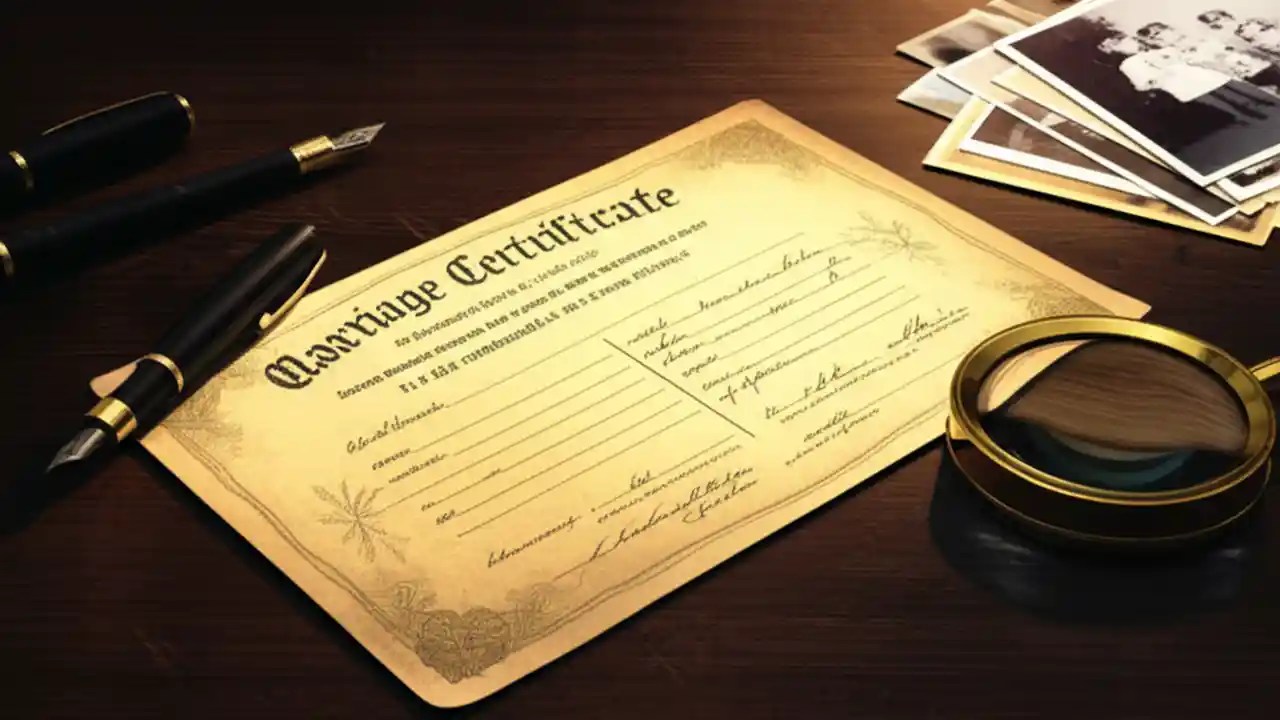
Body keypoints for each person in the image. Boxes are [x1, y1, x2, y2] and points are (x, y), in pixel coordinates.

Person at [1198, 10, 1280, 60]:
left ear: (1227, 16)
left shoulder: (1253, 22)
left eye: (1217, 19)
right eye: (1210, 23)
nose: (1216, 23)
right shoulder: (1231, 39)